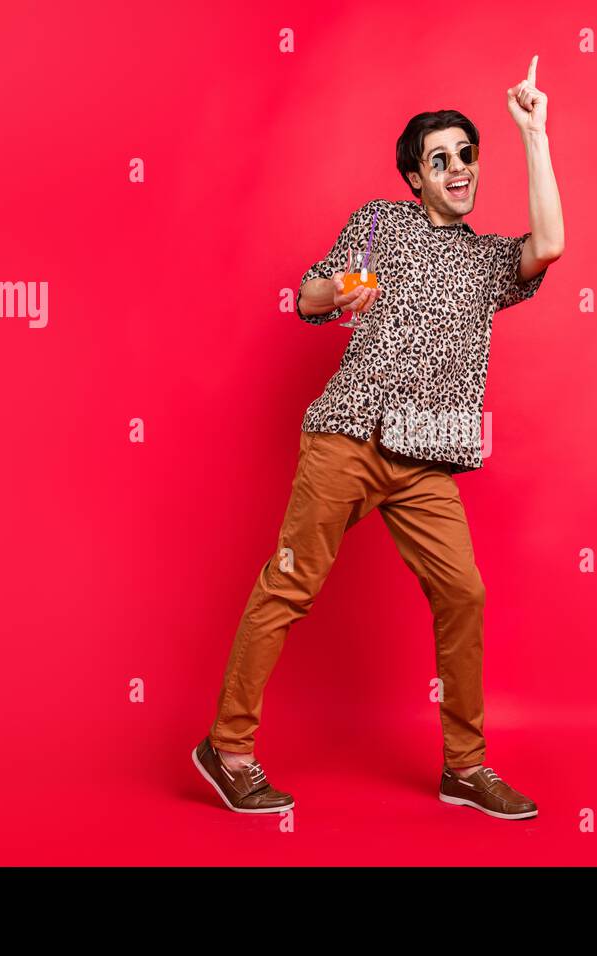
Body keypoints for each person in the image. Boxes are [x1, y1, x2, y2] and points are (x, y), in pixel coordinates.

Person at [192, 56, 564, 820]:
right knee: (290, 585)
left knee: (464, 594)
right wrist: (341, 290)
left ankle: (465, 768)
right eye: (441, 160)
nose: (459, 169)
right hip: (349, 440)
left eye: (467, 155)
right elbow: (309, 296)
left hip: (427, 456)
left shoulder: (490, 261)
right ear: (414, 179)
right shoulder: (380, 224)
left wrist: (534, 135)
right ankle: (226, 748)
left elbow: (551, 245)